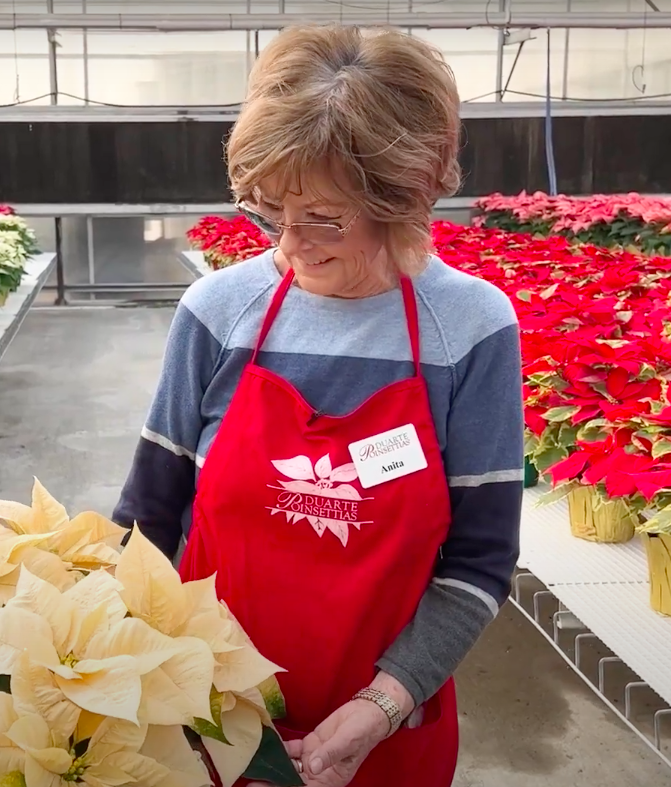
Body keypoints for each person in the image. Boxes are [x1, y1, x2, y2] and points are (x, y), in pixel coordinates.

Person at [113, 23, 523, 787]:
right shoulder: (218, 312)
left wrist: (382, 703)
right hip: (204, 723)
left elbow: (481, 558)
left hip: (383, 733)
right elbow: (146, 522)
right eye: (271, 210)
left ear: (406, 193)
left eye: (325, 218)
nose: (290, 243)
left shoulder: (469, 329)